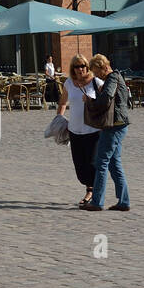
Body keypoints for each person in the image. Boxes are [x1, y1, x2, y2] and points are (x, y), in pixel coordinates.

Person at [83, 54, 131, 211]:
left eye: (96, 72)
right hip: (120, 124)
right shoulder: (115, 77)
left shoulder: (112, 78)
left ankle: (97, 201)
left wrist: (90, 101)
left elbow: (106, 99)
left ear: (103, 66)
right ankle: (124, 201)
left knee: (101, 162)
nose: (97, 75)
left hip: (113, 126)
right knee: (114, 162)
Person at [57, 55, 101, 207]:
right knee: (80, 166)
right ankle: (90, 188)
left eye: (83, 65)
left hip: (93, 130)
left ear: (87, 67)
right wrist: (59, 118)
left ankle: (92, 192)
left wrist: (93, 101)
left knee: (92, 163)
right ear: (72, 69)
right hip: (74, 130)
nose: (80, 69)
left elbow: (108, 99)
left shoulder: (95, 82)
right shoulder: (69, 83)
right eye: (77, 66)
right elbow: (63, 102)